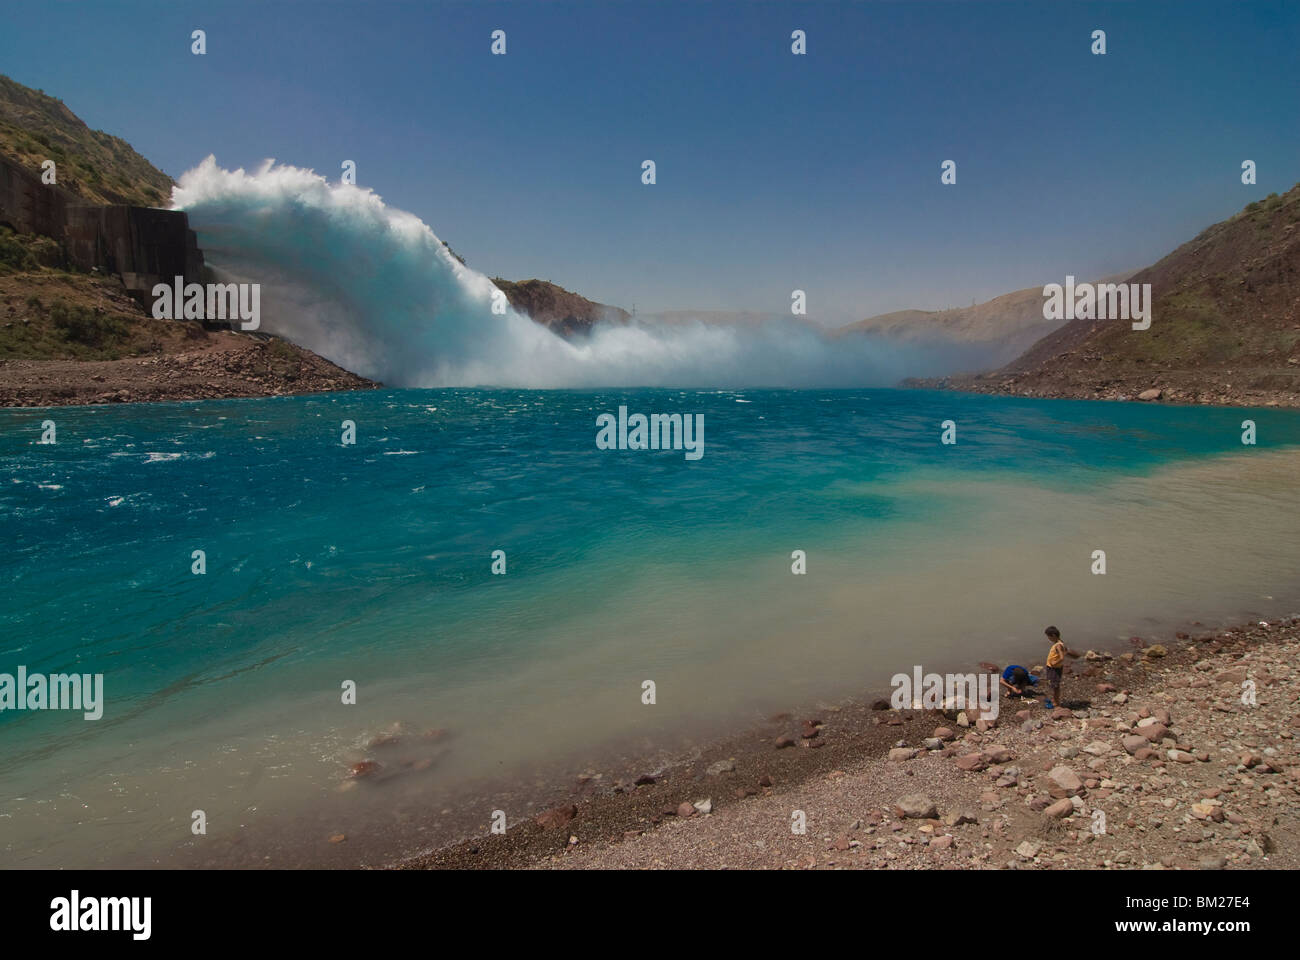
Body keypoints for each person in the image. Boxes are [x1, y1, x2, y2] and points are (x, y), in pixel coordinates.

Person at [1044, 626, 1068, 708]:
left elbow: (1062, 657)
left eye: (1049, 637)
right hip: (1055, 668)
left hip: (1054, 668)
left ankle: (1056, 703)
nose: (1048, 639)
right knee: (1054, 685)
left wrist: (1054, 662)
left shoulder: (1058, 645)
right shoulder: (1061, 643)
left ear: (1053, 635)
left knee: (1055, 686)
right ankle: (1055, 700)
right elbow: (1065, 652)